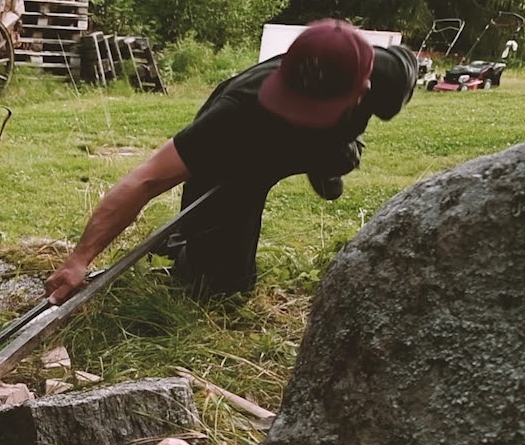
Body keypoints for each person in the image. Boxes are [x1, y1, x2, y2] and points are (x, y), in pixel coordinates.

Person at [44, 19, 417, 304]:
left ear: (363, 88)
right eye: (293, 101)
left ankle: (328, 162)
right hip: (248, 149)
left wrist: (332, 146)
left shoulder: (389, 77)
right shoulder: (236, 114)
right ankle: (181, 243)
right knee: (219, 288)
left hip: (331, 143)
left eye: (310, 109)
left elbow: (402, 69)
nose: (297, 113)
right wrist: (79, 259)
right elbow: (146, 180)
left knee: (340, 157)